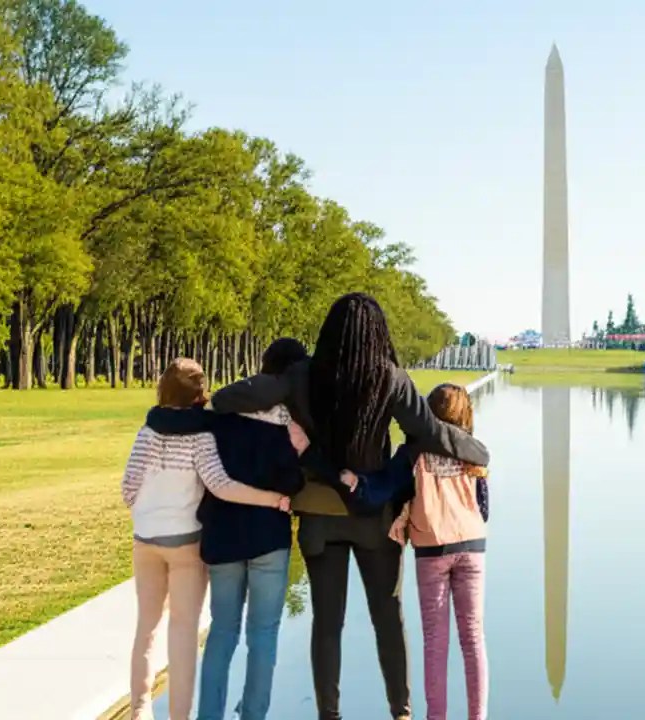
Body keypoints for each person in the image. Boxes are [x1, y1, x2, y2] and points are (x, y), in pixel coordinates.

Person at [210, 293, 489, 720]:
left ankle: (330, 714)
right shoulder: (390, 378)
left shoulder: (301, 375)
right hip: (374, 519)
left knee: (327, 623)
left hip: (320, 516)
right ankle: (401, 709)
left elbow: (231, 398)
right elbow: (430, 431)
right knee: (387, 618)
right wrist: (476, 452)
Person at [122, 358, 292, 720]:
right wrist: (272, 499)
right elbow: (221, 486)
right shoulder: (201, 436)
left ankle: (139, 708)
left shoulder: (146, 432)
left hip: (146, 540)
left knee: (147, 626)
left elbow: (128, 489)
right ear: (200, 394)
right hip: (185, 542)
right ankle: (181, 716)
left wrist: (151, 509)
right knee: (184, 632)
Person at [339, 384, 489, 720]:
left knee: (436, 643)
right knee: (474, 639)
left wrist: (354, 482)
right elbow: (483, 506)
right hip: (473, 546)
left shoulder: (413, 454)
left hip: (433, 549)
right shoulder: (473, 452)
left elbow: (385, 487)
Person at [197, 338, 312, 720]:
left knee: (222, 632)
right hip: (268, 538)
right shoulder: (286, 426)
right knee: (263, 636)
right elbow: (292, 482)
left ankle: (209, 714)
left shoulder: (220, 417)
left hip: (223, 534)